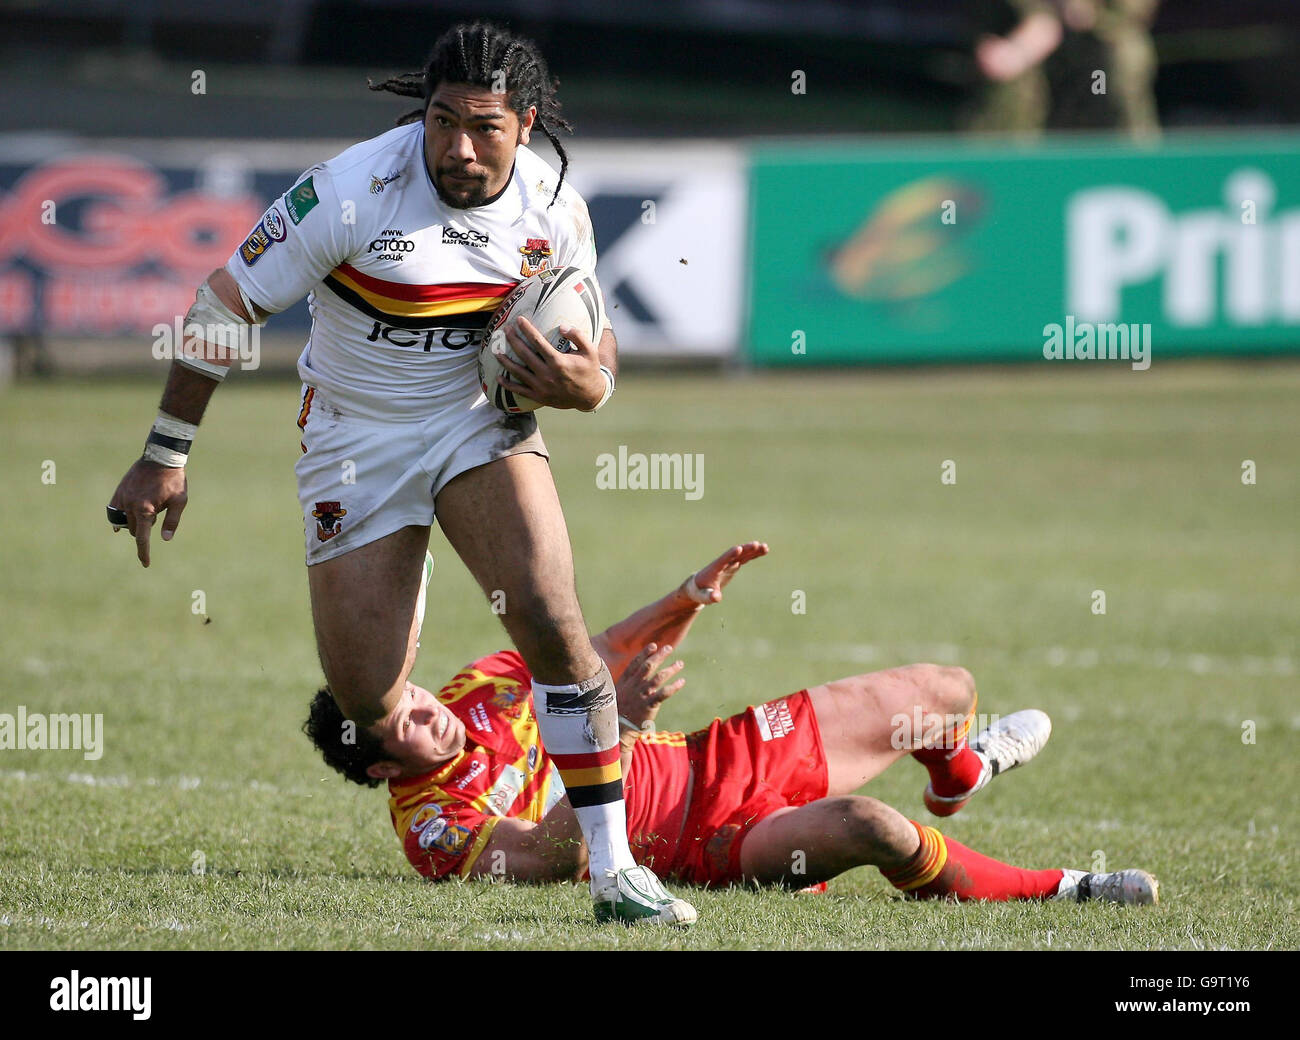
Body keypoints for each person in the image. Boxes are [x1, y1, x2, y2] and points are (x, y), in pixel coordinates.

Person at [106, 21, 692, 925]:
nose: (458, 146)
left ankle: (615, 871)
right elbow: (223, 304)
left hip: (475, 424)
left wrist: (593, 383)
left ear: (525, 124)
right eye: (442, 119)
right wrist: (164, 453)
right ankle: (402, 562)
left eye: (485, 126)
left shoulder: (553, 202)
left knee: (546, 610)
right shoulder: (348, 191)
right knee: (366, 695)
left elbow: (588, 317)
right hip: (355, 438)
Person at [305, 542, 1159, 906]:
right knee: (873, 827)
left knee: (945, 689)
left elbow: (596, 649)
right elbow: (549, 858)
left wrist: (682, 600)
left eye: (409, 693)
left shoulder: (473, 689)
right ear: (382, 768)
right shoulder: (433, 828)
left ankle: (960, 772)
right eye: (404, 724)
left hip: (729, 755)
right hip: (706, 843)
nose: (427, 711)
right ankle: (1071, 888)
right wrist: (618, 731)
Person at [969, 0, 1161, 138]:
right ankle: (1009, 165)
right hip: (1032, 48)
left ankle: (1133, 156)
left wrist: (1087, 13)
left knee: (1114, 68)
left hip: (1097, 53)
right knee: (1015, 83)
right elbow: (1037, 22)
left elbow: (1129, 13)